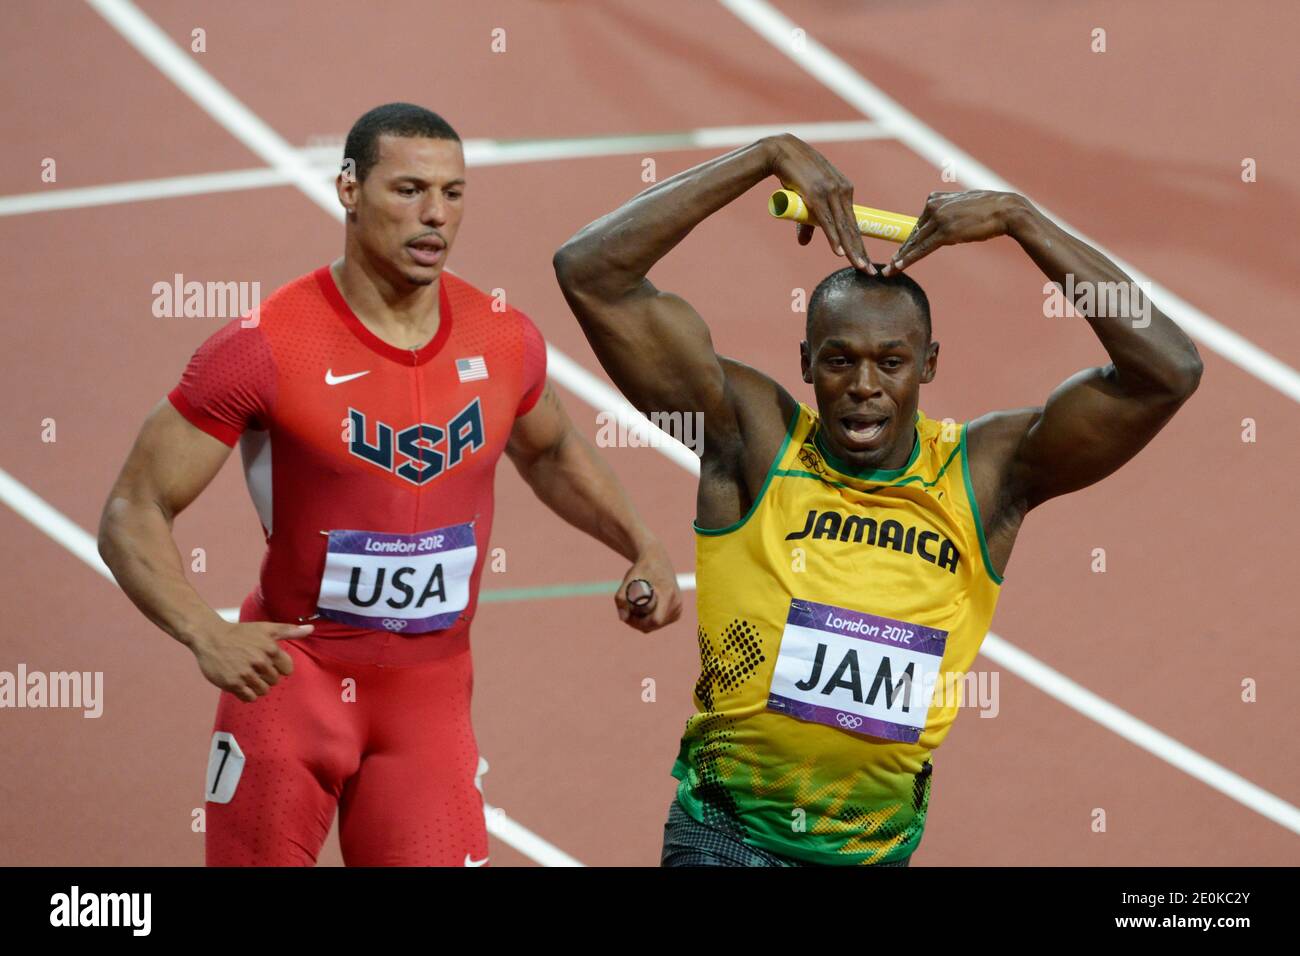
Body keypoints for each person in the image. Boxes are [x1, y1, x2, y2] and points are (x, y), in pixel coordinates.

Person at [553, 133, 1202, 866]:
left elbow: (1167, 372)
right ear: (805, 364)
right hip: (728, 837)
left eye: (891, 362)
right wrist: (759, 158)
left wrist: (1024, 222)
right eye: (839, 361)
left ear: (927, 364)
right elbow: (591, 272)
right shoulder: (752, 441)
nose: (864, 385)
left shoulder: (986, 477)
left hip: (875, 854)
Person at [97, 102, 681, 867]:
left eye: (453, 193)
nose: (435, 215)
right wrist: (204, 631)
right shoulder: (265, 347)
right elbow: (132, 509)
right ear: (348, 189)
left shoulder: (502, 337)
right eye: (408, 190)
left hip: (430, 704)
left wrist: (639, 543)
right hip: (291, 684)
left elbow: (551, 451)